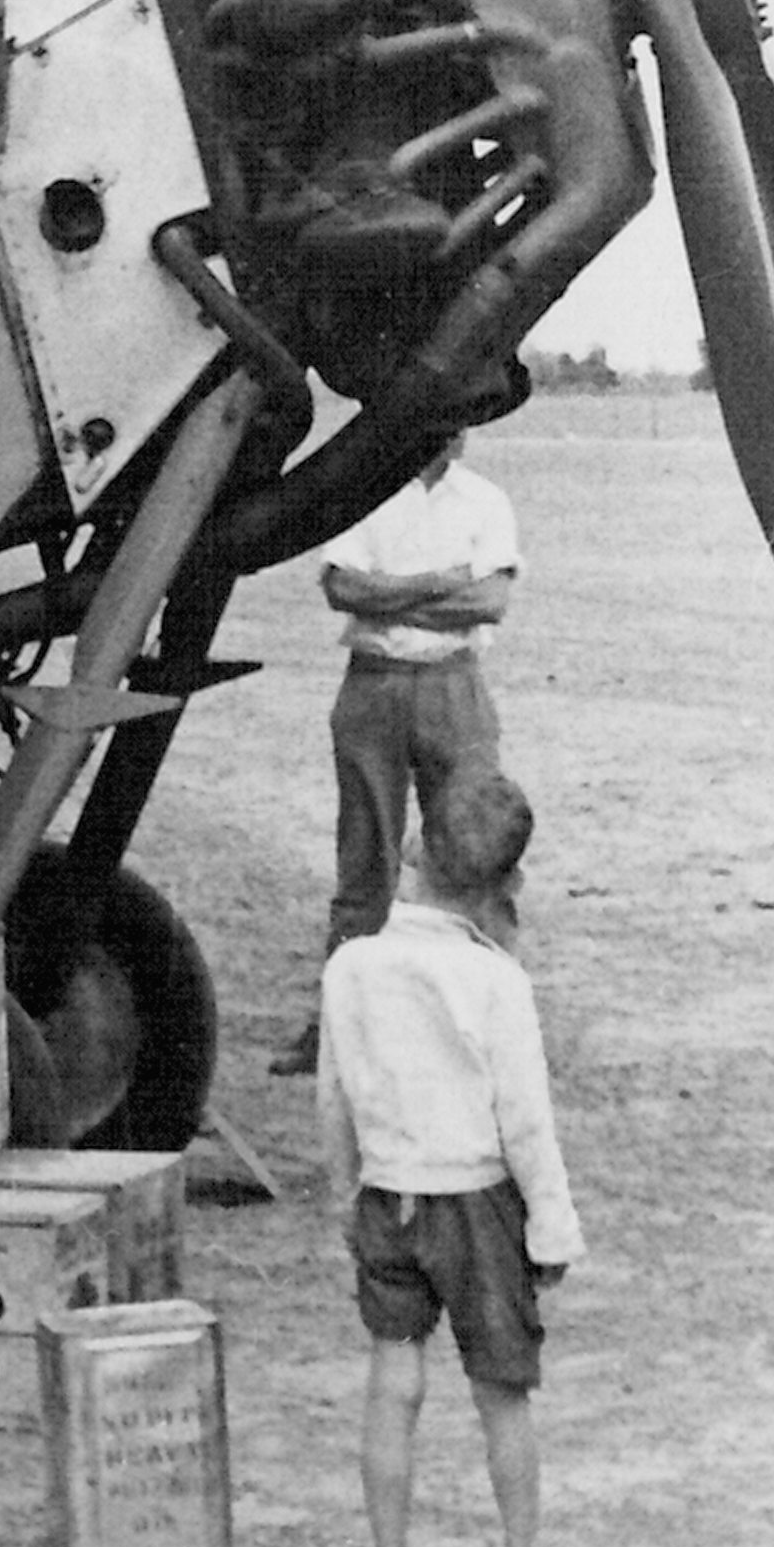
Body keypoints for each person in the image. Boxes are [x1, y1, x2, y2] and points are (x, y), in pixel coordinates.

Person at [316, 764, 584, 1547]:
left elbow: (335, 1094)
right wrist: (552, 1228)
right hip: (476, 1206)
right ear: (509, 884)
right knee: (501, 1390)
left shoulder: (352, 967)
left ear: (410, 850)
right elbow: (526, 1121)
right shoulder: (496, 980)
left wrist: (345, 1192)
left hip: (388, 1197)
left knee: (394, 1378)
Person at [270, 436, 518, 1075]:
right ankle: (338, 1030)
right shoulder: (367, 496)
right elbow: (343, 588)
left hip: (454, 685)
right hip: (374, 685)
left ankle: (489, 1028)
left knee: (477, 849)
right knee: (364, 864)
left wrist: (392, 595)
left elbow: (489, 602)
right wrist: (438, 584)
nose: (456, 431)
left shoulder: (486, 501)